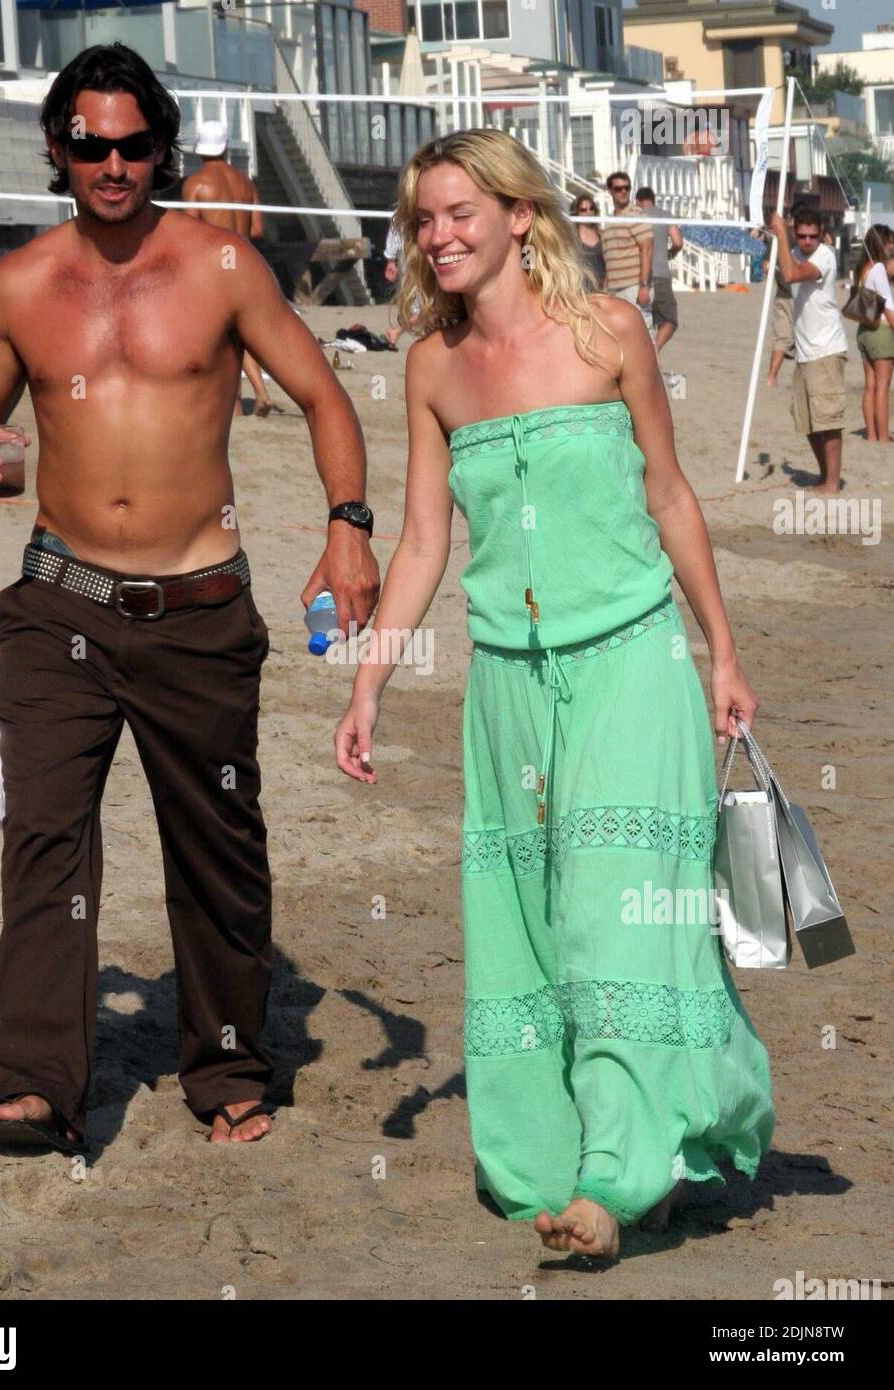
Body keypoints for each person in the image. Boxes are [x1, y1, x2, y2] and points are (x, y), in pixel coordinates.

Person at [334, 129, 774, 1260]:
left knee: (614, 912)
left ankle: (617, 1181)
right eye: (423, 219)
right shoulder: (431, 364)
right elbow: (427, 543)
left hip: (631, 660)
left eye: (459, 212)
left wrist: (721, 650)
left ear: (519, 215)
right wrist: (369, 683)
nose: (438, 235)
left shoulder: (607, 331)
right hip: (508, 686)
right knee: (525, 922)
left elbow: (670, 497)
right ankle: (558, 1155)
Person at [0, 43, 379, 1153]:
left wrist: (347, 526)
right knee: (46, 839)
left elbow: (326, 396)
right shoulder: (20, 285)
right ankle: (38, 1079)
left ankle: (228, 1061)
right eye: (91, 143)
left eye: (136, 144)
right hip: (60, 602)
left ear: (160, 148)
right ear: (59, 148)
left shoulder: (220, 271)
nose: (115, 163)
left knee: (216, 845)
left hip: (199, 610)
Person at [181, 118, 275, 418]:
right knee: (237, 332)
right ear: (225, 149)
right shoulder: (246, 183)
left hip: (215, 266)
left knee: (225, 335)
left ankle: (246, 399)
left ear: (200, 151)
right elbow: (258, 229)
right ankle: (248, 397)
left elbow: (191, 231)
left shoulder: (195, 184)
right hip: (245, 262)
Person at [768, 205, 847, 494]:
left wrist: (781, 235)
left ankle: (833, 482)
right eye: (801, 236)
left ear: (820, 235)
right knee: (809, 421)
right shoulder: (797, 254)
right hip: (804, 350)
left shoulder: (825, 256)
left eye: (811, 236)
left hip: (826, 348)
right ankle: (825, 476)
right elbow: (781, 275)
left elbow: (790, 275)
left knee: (828, 420)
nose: (806, 242)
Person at [851, 223, 894, 442]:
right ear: (881, 244)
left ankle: (871, 434)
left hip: (864, 330)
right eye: (889, 242)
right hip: (881, 330)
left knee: (870, 385)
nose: (892, 246)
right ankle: (884, 436)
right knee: (883, 386)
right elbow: (888, 305)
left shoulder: (862, 268)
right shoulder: (878, 269)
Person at [600, 170, 654, 335]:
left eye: (627, 188)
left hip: (633, 287)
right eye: (618, 189)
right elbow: (610, 259)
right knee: (619, 336)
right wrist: (606, 288)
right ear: (610, 190)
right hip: (615, 289)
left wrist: (644, 286)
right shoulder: (609, 220)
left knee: (643, 334)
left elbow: (647, 248)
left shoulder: (635, 214)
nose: (623, 192)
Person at [634, 185, 682, 353]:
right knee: (669, 320)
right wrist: (670, 253)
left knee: (643, 322)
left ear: (638, 201)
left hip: (639, 276)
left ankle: (648, 351)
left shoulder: (636, 216)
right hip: (661, 274)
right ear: (653, 200)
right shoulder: (664, 215)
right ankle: (656, 348)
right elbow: (678, 242)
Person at [765, 216, 796, 388]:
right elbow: (765, 262)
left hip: (797, 297)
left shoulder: (801, 239)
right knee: (782, 337)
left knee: (785, 338)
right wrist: (768, 266)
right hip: (786, 295)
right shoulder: (776, 241)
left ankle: (772, 377)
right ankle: (771, 377)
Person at [569, 193, 605, 291]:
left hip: (601, 289)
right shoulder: (571, 238)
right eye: (583, 210)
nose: (588, 212)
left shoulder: (602, 235)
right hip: (579, 289)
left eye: (591, 208)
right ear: (577, 213)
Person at [383, 216, 406, 349]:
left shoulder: (399, 213)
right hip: (411, 255)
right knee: (426, 304)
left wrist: (391, 260)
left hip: (408, 254)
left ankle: (397, 331)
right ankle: (396, 331)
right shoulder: (400, 213)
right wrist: (391, 260)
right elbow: (395, 232)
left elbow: (394, 233)